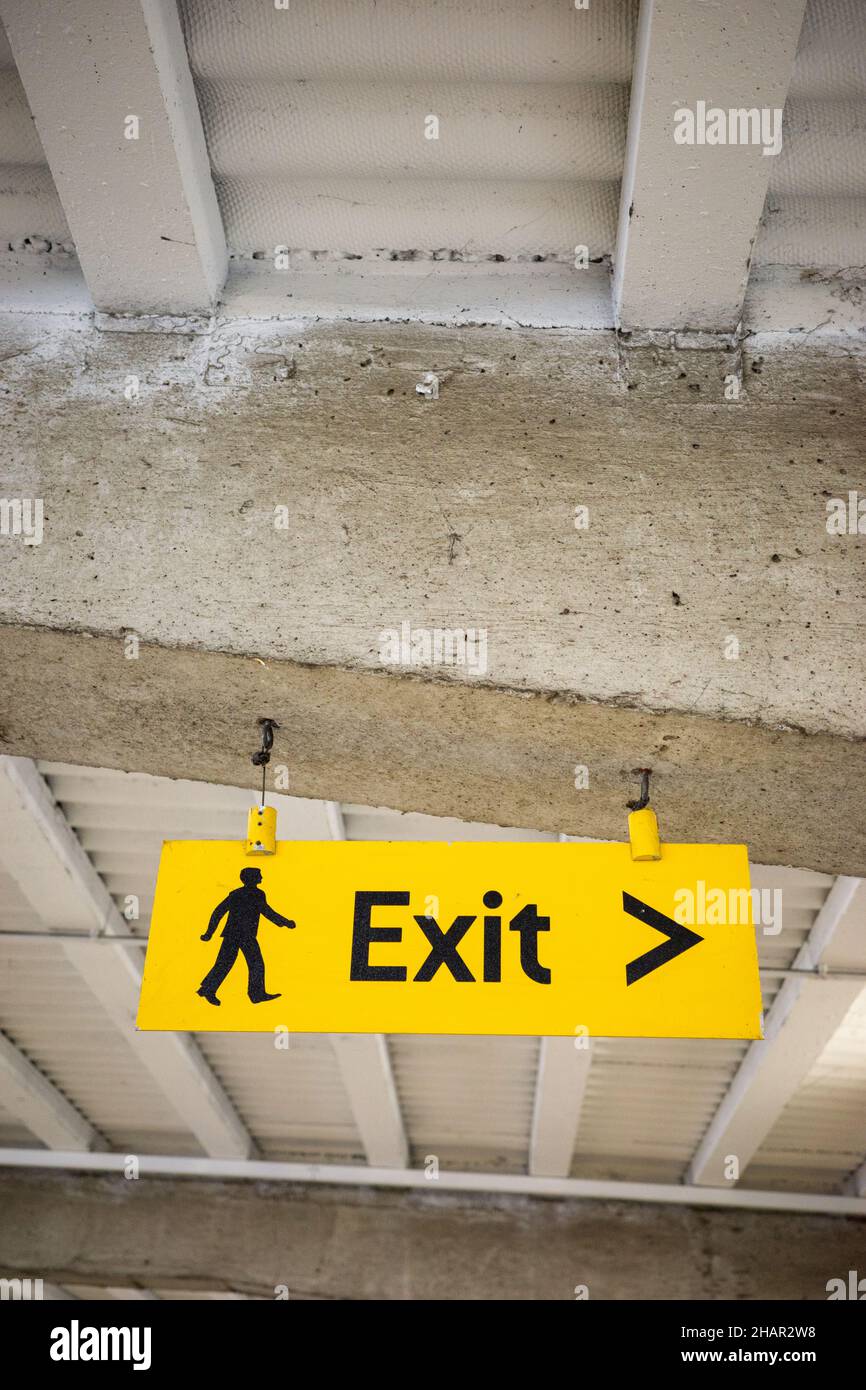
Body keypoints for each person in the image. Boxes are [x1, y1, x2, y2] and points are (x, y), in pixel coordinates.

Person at [197, 867, 295, 1006]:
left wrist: (209, 933)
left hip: (235, 934)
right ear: (252, 878)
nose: (262, 877)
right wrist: (286, 922)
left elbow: (218, 912)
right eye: (259, 875)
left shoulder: (238, 893)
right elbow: (267, 912)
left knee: (226, 963)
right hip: (244, 935)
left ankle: (207, 989)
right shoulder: (256, 894)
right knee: (254, 963)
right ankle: (256, 994)